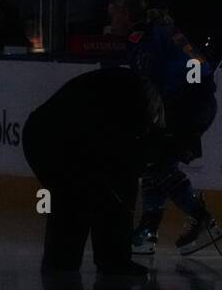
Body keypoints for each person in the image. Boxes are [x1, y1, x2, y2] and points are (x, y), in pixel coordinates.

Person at [103, 0, 222, 257]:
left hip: (186, 105)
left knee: (156, 162)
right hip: (194, 102)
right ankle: (148, 230)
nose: (110, 18)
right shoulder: (157, 30)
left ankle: (201, 218)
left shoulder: (143, 40)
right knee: (155, 161)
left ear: (126, 14)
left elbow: (151, 86)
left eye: (114, 12)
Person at [22, 63, 166, 275]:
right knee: (77, 202)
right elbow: (119, 167)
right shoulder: (142, 103)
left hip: (48, 135)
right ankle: (77, 263)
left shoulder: (136, 94)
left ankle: (72, 263)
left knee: (82, 200)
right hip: (58, 140)